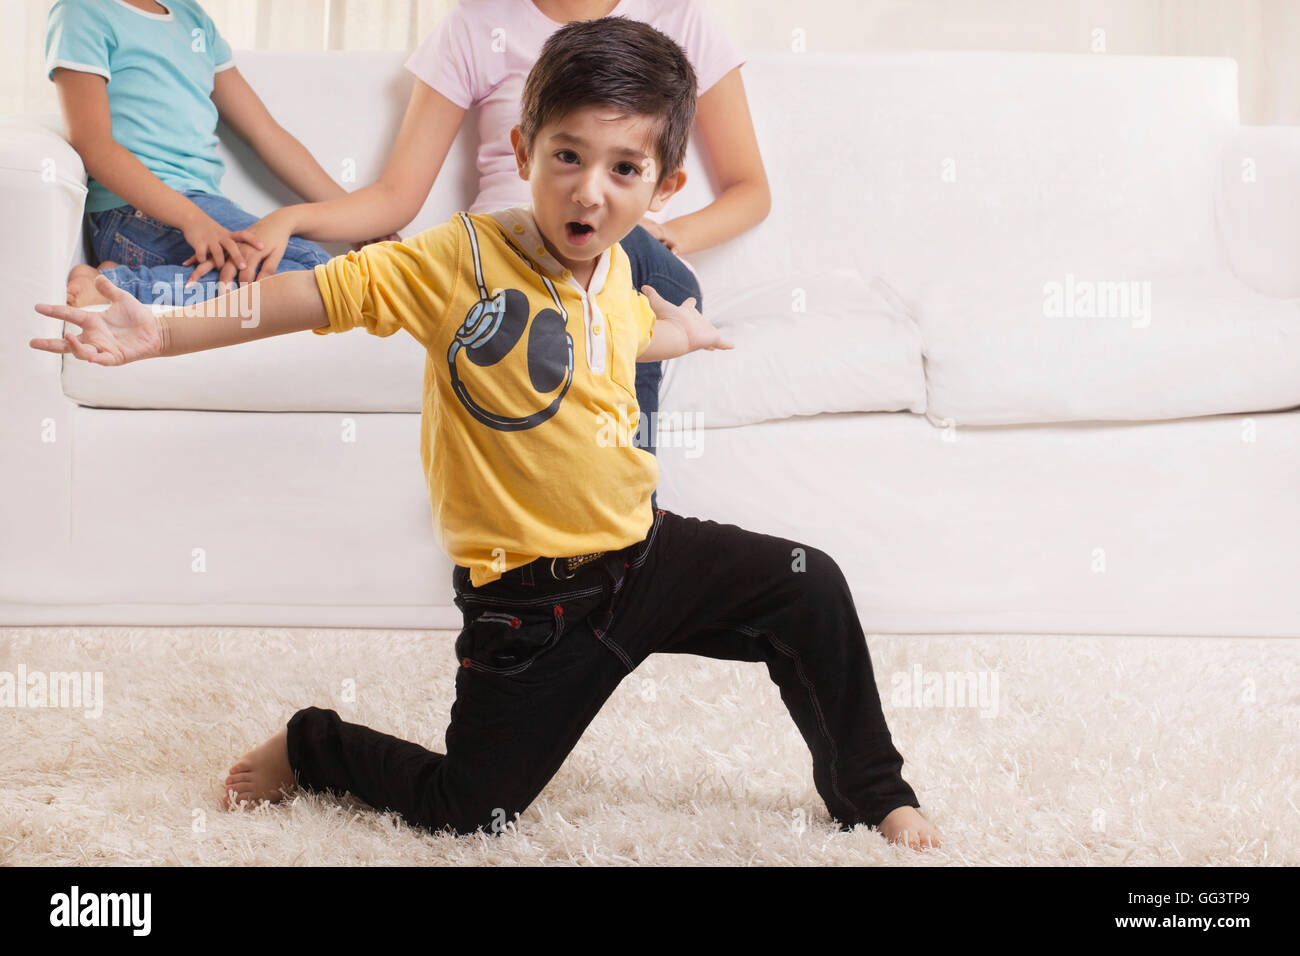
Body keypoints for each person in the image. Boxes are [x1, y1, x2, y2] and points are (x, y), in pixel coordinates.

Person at [31, 17, 939, 851]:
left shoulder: (618, 268)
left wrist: (686, 334)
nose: (589, 191)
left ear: (663, 185)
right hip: (534, 610)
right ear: (523, 150)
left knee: (808, 585)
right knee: (472, 810)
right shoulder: (456, 259)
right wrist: (168, 329)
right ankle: (314, 745)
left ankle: (873, 794)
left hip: (642, 555)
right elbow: (314, 295)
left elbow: (626, 333)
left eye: (623, 170)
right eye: (567, 157)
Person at [222, 0, 770, 466]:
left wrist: (668, 232)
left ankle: (627, 527)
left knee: (622, 272)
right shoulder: (477, 24)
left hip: (633, 254)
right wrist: (294, 217)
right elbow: (396, 196)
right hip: (516, 258)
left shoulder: (680, 18)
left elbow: (750, 189)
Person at [45, 0, 355, 308]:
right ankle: (123, 288)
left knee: (321, 274)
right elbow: (93, 145)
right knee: (318, 271)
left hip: (203, 207)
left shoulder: (193, 18)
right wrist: (193, 220)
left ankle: (135, 281)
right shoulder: (81, 10)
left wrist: (353, 214)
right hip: (135, 213)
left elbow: (266, 134)